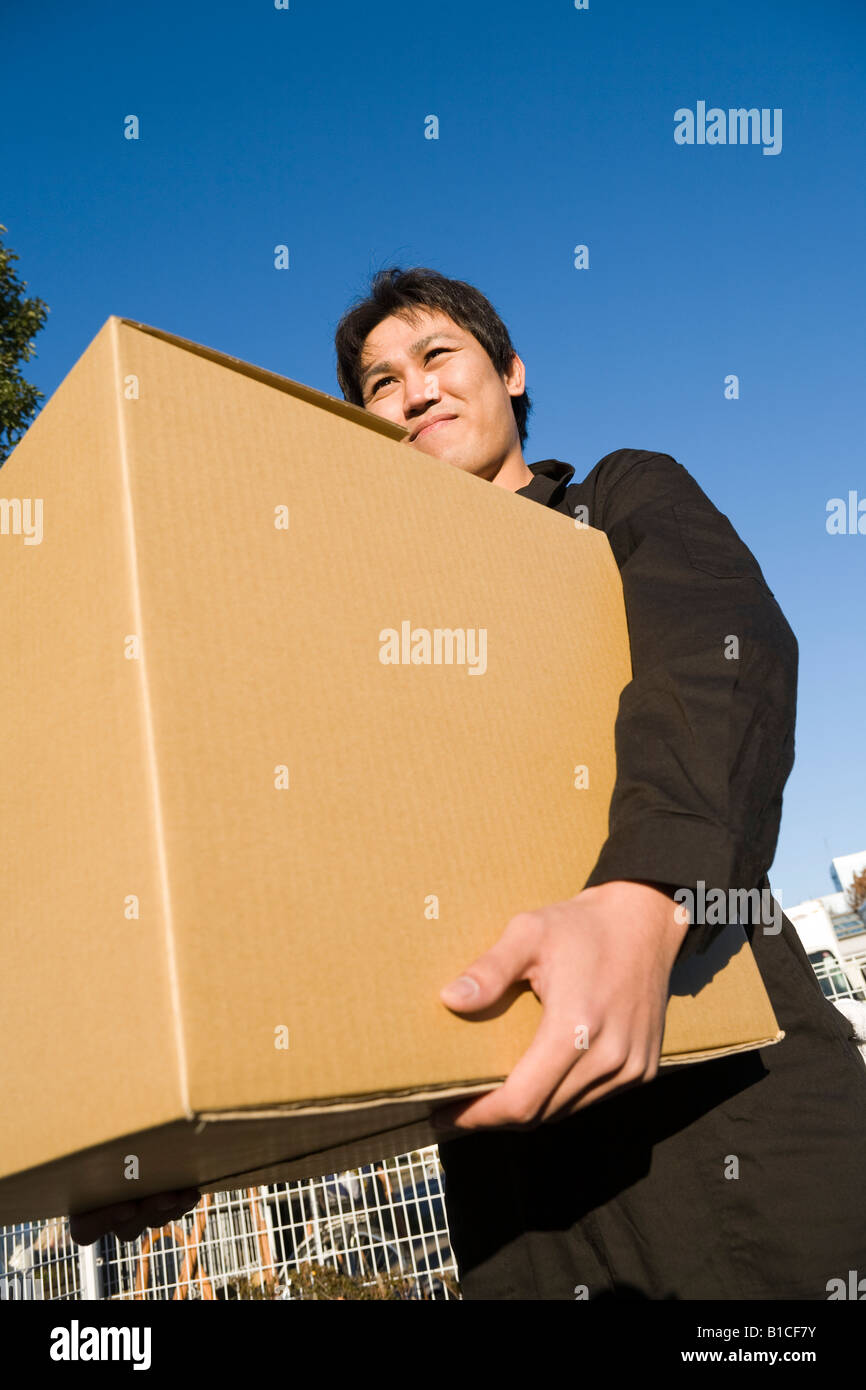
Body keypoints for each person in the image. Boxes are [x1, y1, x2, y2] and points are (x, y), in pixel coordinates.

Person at [74, 266, 866, 1298]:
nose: (411, 390)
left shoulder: (617, 496)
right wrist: (200, 1108)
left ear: (509, 371)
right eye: (377, 382)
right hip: (507, 1165)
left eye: (435, 355)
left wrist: (646, 896)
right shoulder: (360, 639)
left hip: (721, 1087)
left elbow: (720, 651)